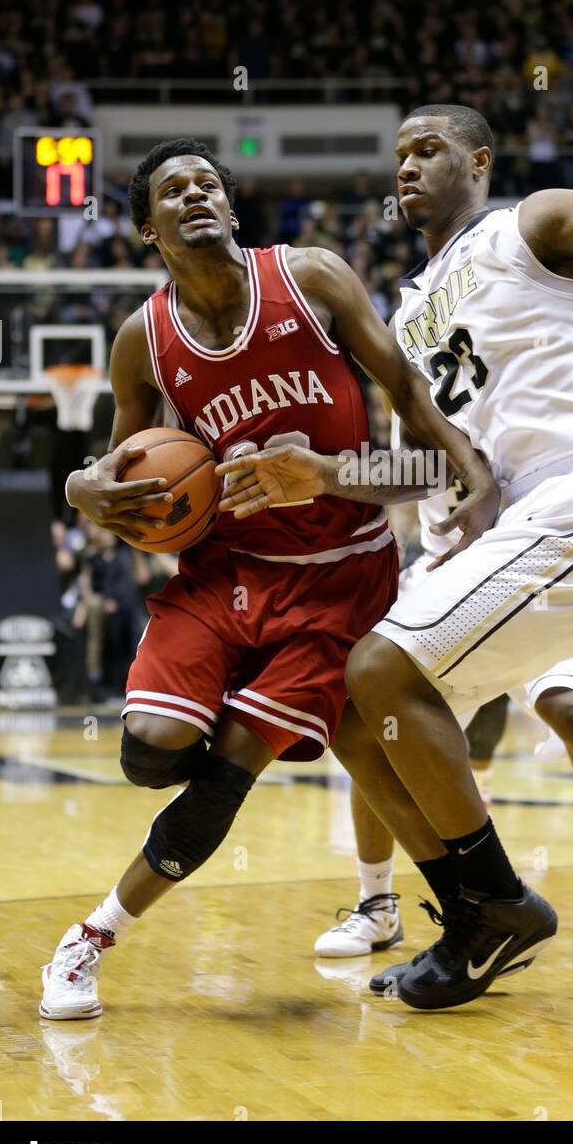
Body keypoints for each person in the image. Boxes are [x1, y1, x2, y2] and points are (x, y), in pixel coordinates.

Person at [280, 0, 573, 1010]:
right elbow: (426, 464)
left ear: (478, 161)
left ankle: (519, 896)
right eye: (397, 157)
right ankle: (467, 920)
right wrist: (319, 473)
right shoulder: (407, 308)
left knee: (389, 669)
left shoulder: (531, 226)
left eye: (428, 148)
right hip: (511, 536)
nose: (407, 167)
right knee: (357, 712)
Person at [39, 137, 499, 1020]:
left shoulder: (312, 278)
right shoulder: (144, 340)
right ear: (147, 229)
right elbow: (122, 469)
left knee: (233, 771)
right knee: (148, 753)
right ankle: (247, 738)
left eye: (209, 183)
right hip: (223, 571)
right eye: (175, 190)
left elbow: (406, 389)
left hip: (335, 579)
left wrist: (468, 472)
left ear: (233, 208)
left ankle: (90, 939)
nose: (197, 195)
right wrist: (81, 484)